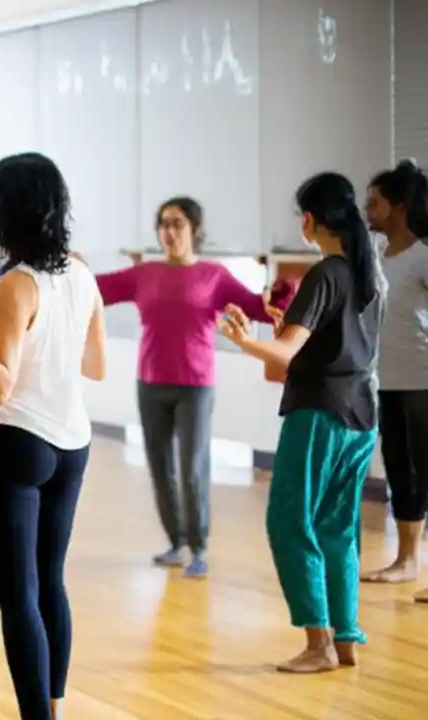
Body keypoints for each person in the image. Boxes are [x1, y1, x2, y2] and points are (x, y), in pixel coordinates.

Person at [0, 152, 105, 720]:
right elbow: (96, 364)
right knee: (48, 582)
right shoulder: (80, 274)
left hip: (15, 446)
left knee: (18, 597)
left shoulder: (15, 286)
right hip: (71, 444)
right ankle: (53, 706)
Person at [218, 171, 382, 673]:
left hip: (319, 416)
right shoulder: (368, 274)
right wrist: (276, 330)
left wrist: (245, 341)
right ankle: (346, 636)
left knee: (290, 523)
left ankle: (318, 643)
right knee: (337, 528)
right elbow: (309, 346)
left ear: (309, 220)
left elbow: (286, 352)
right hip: (361, 416)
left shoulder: (326, 273)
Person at [93, 197, 285, 578]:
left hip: (195, 385)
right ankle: (176, 541)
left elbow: (258, 307)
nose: (169, 231)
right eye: (163, 224)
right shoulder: (144, 274)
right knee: (160, 467)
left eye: (177, 224)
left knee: (192, 468)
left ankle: (199, 547)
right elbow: (96, 290)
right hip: (150, 383)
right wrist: (68, 270)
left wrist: (285, 291)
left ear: (194, 230)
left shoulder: (214, 276)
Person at [357, 160, 428, 598]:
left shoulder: (423, 255)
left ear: (398, 206)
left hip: (423, 381)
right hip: (386, 382)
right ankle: (406, 561)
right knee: (402, 473)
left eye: (374, 200)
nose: (367, 207)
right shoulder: (375, 260)